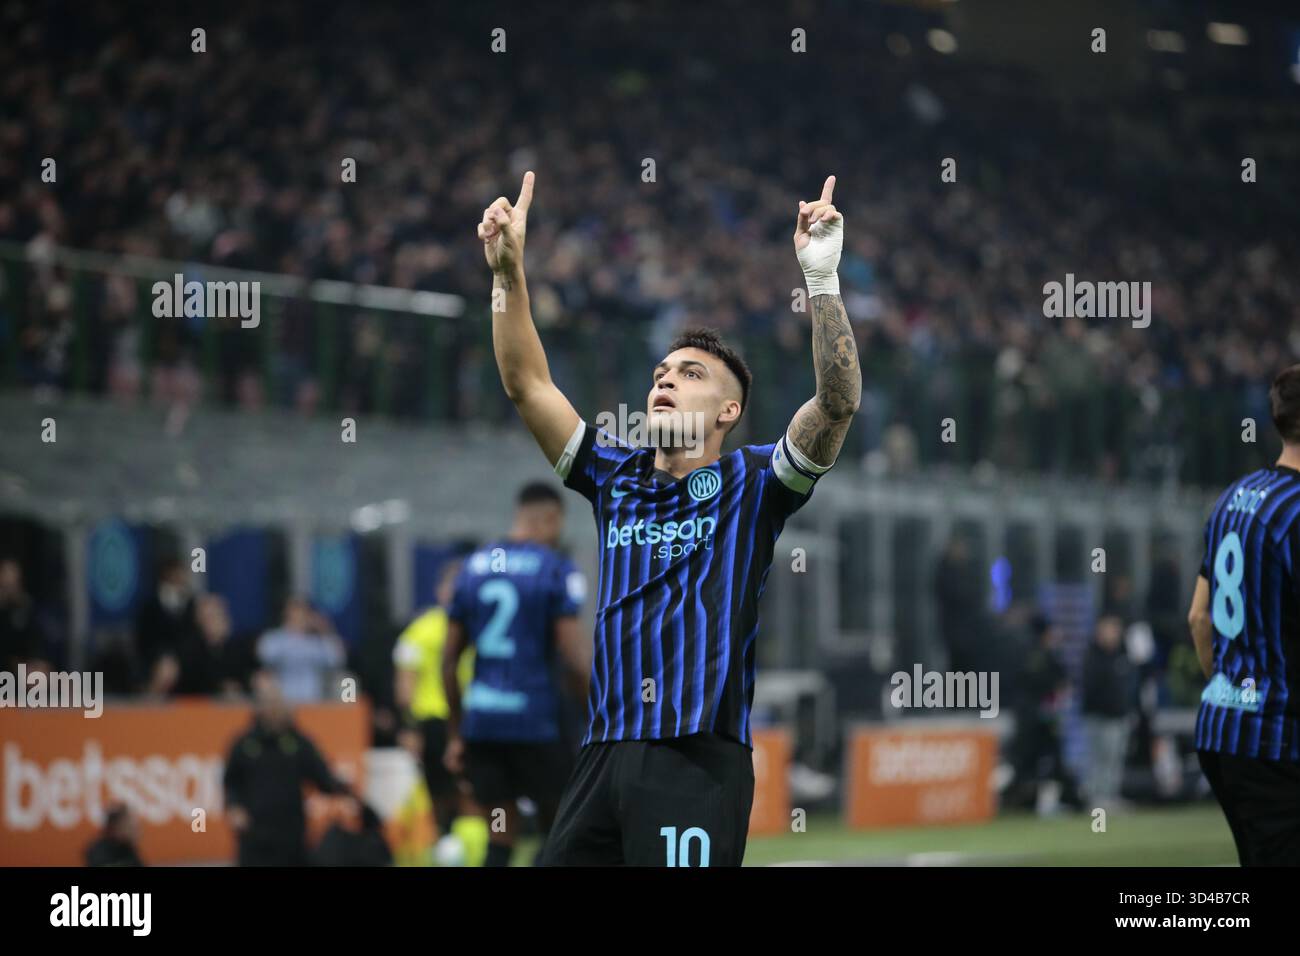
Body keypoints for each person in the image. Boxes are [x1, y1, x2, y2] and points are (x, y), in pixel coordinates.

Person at [478, 172, 860, 865]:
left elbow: (836, 404)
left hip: (694, 763)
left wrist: (821, 280)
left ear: (728, 412)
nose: (663, 379)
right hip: (599, 759)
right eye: (660, 370)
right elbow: (525, 382)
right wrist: (508, 273)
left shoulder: (753, 484)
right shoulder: (612, 475)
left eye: (688, 373)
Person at [442, 482, 590, 867]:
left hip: (483, 723)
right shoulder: (554, 568)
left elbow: (448, 662)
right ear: (550, 519)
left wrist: (457, 732)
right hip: (536, 722)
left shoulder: (471, 568)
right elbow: (573, 658)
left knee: (500, 827)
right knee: (560, 826)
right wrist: (597, 713)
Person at [1188, 365, 1300, 866]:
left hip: (1221, 730)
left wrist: (1231, 688)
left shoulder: (1233, 497)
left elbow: (1198, 618)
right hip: (1278, 740)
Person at [223, 675, 355, 866]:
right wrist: (234, 808)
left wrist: (345, 789)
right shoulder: (244, 744)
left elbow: (322, 778)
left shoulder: (299, 743)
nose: (275, 709)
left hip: (291, 835)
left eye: (278, 703)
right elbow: (231, 783)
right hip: (254, 837)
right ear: (259, 708)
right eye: (269, 703)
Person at [393, 561, 475, 861]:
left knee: (461, 789)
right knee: (446, 790)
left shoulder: (474, 627)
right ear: (439, 591)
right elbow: (405, 687)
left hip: (467, 721)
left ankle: (458, 845)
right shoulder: (421, 631)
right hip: (437, 722)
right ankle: (448, 845)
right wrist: (411, 728)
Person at [1082, 613, 1135, 810]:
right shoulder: (1093, 656)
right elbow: (1091, 688)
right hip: (1099, 717)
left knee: (1115, 759)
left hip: (1120, 716)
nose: (1114, 633)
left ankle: (1111, 797)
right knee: (1099, 759)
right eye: (1110, 629)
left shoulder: (1122, 655)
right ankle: (1096, 800)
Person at [256, 596, 346, 703]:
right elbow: (264, 654)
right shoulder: (275, 638)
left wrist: (325, 629)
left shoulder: (316, 642)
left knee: (347, 681)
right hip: (281, 704)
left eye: (302, 613)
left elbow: (337, 659)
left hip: (312, 702)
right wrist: (292, 635)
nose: (298, 617)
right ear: (286, 614)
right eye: (294, 612)